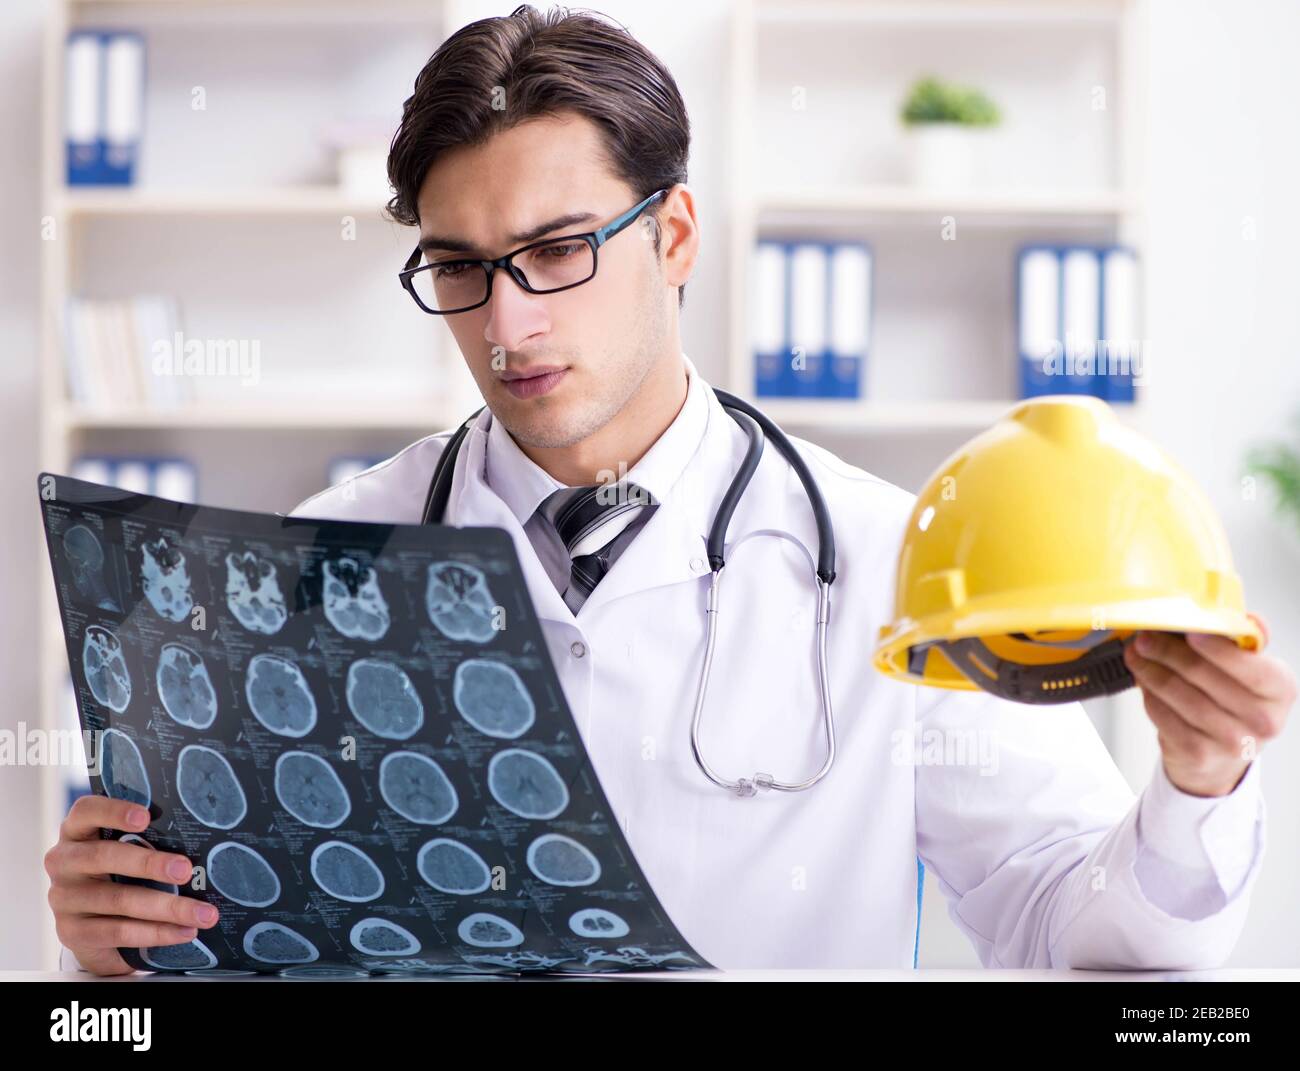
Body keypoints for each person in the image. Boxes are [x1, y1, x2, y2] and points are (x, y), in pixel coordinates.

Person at [47, 5, 1294, 976]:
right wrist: (114, 942)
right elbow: (220, 953)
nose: (509, 320)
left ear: (676, 235)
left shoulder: (878, 557)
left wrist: (1196, 786)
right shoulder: (317, 562)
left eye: (558, 250)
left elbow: (1072, 931)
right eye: (462, 267)